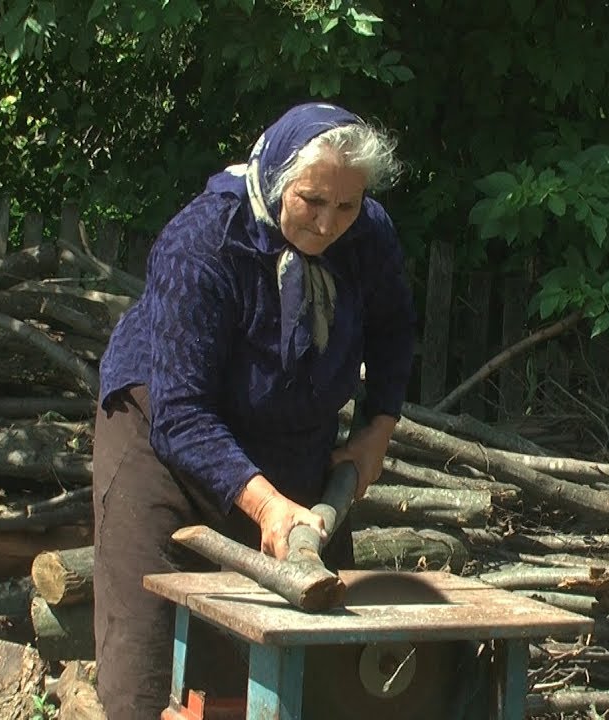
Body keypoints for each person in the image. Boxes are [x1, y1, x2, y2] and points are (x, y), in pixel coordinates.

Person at [91, 102, 416, 719]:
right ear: (275, 177)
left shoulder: (368, 235)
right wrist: (264, 504)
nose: (328, 223)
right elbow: (182, 413)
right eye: (311, 201)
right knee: (147, 663)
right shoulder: (203, 240)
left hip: (292, 436)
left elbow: (394, 328)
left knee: (314, 659)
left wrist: (379, 427)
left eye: (346, 205)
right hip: (163, 438)